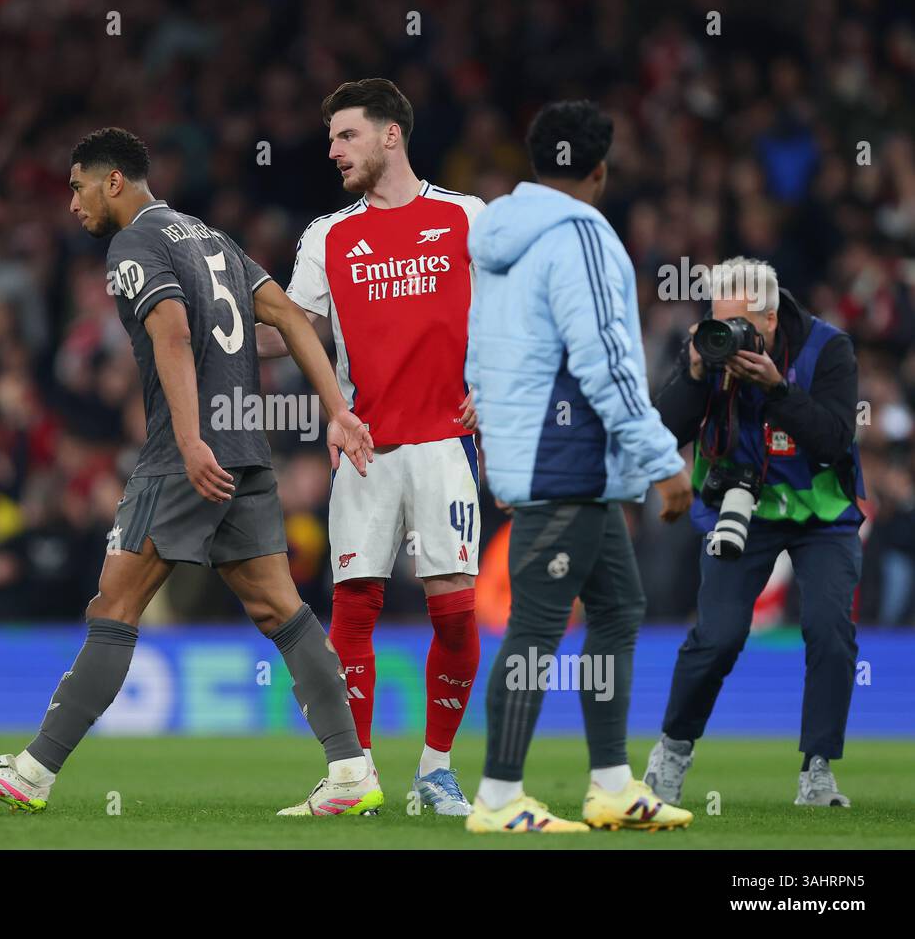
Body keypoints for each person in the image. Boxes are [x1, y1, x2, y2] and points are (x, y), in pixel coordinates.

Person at [0, 127, 382, 817]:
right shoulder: (212, 238)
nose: (71, 203)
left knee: (113, 607)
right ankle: (351, 768)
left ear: (112, 181)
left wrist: (187, 440)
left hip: (185, 458)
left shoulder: (135, 244)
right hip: (247, 448)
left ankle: (31, 772)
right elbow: (296, 322)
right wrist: (337, 409)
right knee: (282, 610)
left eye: (77, 186)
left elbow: (172, 331)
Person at [464, 100, 694, 833]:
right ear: (599, 170)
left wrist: (499, 450)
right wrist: (664, 460)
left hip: (542, 459)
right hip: (572, 462)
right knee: (535, 627)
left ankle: (611, 785)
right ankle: (498, 797)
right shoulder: (585, 236)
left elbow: (482, 355)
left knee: (618, 611)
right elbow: (609, 364)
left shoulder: (496, 238)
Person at [258, 78, 485, 815]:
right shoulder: (329, 234)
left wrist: (500, 380)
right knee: (352, 611)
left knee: (453, 611)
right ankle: (353, 777)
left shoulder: (466, 218)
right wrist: (202, 324)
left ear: (392, 135)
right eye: (330, 140)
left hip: (446, 444)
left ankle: (436, 770)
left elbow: (523, 308)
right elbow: (287, 331)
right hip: (365, 445)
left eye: (345, 136)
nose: (333, 151)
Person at [646, 258, 865, 808]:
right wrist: (695, 372)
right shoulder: (709, 346)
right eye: (716, 320)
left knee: (829, 629)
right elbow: (663, 430)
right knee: (716, 635)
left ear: (769, 321)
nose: (725, 334)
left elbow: (835, 440)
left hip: (820, 512)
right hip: (740, 505)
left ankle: (818, 770)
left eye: (738, 324)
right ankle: (672, 752)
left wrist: (776, 390)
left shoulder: (827, 349)